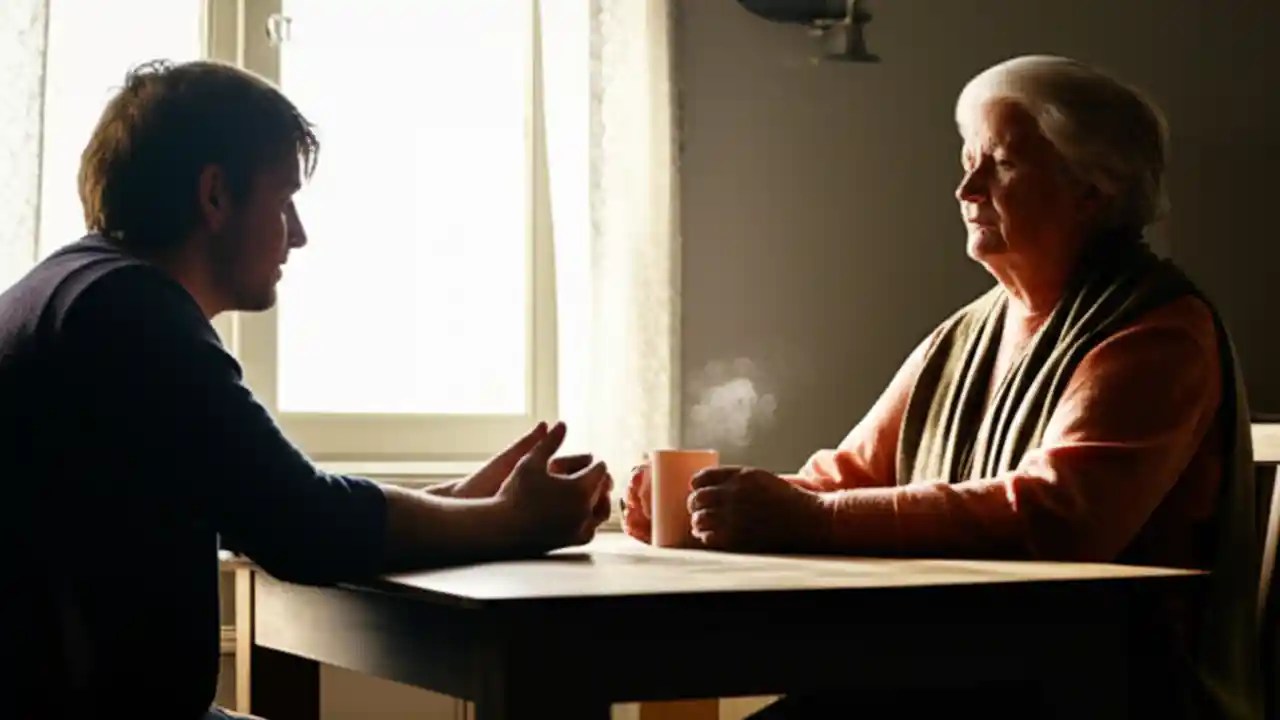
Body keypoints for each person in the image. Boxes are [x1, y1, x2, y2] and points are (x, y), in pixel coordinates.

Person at [624, 55, 1262, 719]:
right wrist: (713, 511)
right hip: (955, 667)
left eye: (1003, 163)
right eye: (967, 161)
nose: (968, 189)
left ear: (1092, 190)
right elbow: (849, 477)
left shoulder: (1156, 333)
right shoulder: (967, 333)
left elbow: (1059, 517)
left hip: (1097, 688)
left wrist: (810, 518)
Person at [3, 59, 612, 720]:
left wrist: (464, 505)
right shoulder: (130, 311)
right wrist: (509, 522)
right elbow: (304, 527)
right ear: (215, 196)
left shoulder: (66, 294)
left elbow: (262, 499)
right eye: (284, 199)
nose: (298, 233)